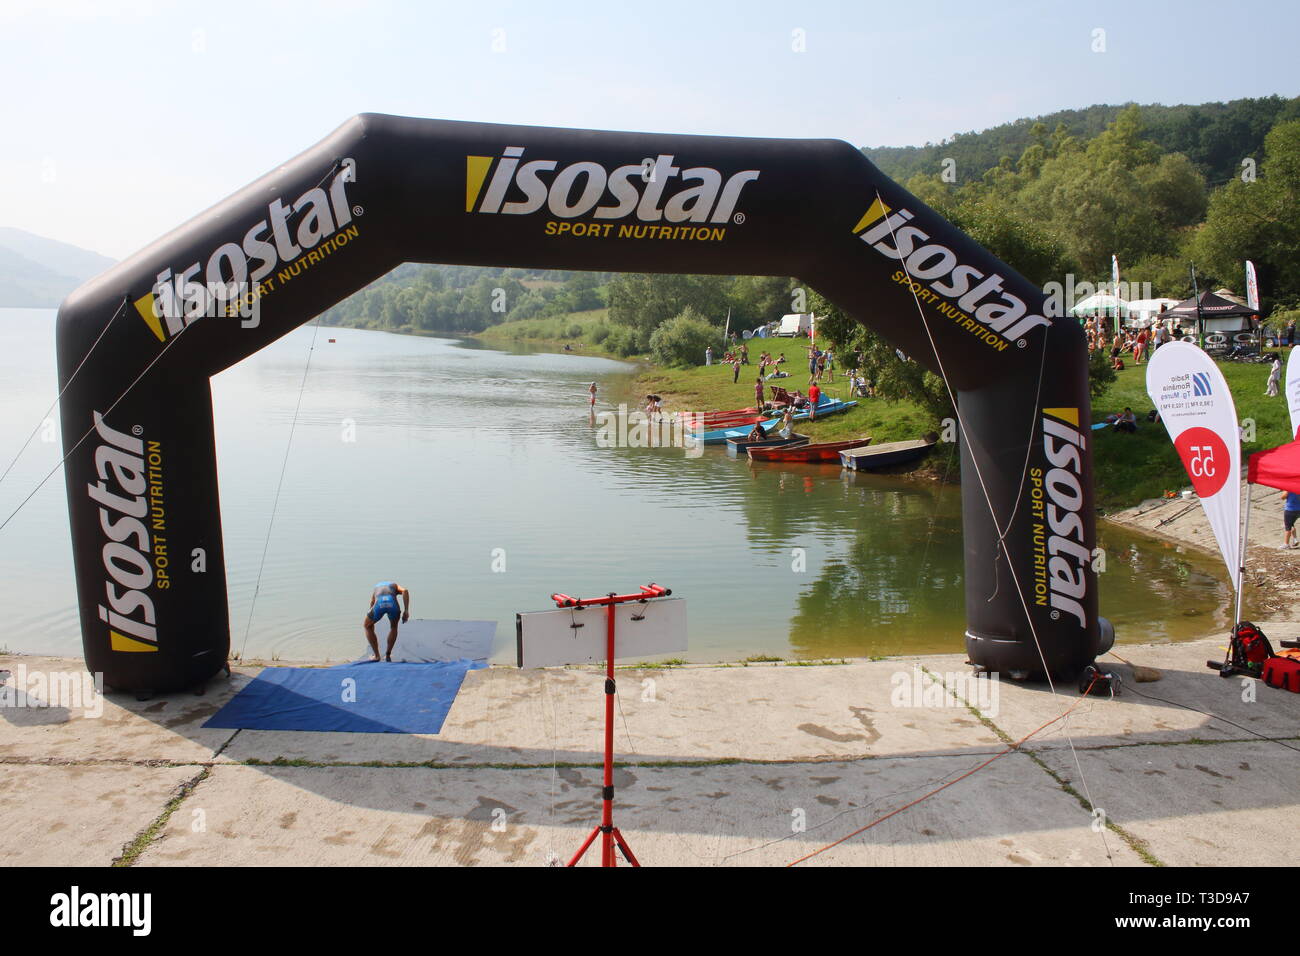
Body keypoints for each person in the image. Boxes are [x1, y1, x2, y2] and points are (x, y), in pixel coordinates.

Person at [364, 581, 410, 662]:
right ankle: (388, 654)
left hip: (379, 604)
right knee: (393, 627)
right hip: (392, 605)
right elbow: (405, 591)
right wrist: (406, 611)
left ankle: (377, 656)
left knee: (367, 626)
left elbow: (372, 602)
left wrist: (371, 616)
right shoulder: (395, 585)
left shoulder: (376, 587)